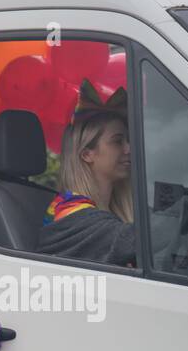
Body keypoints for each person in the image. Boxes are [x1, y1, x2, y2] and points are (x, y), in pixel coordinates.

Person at [35, 81, 136, 268]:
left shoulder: (110, 209)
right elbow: (130, 241)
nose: (129, 149)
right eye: (118, 141)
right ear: (87, 154)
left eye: (129, 141)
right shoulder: (66, 210)